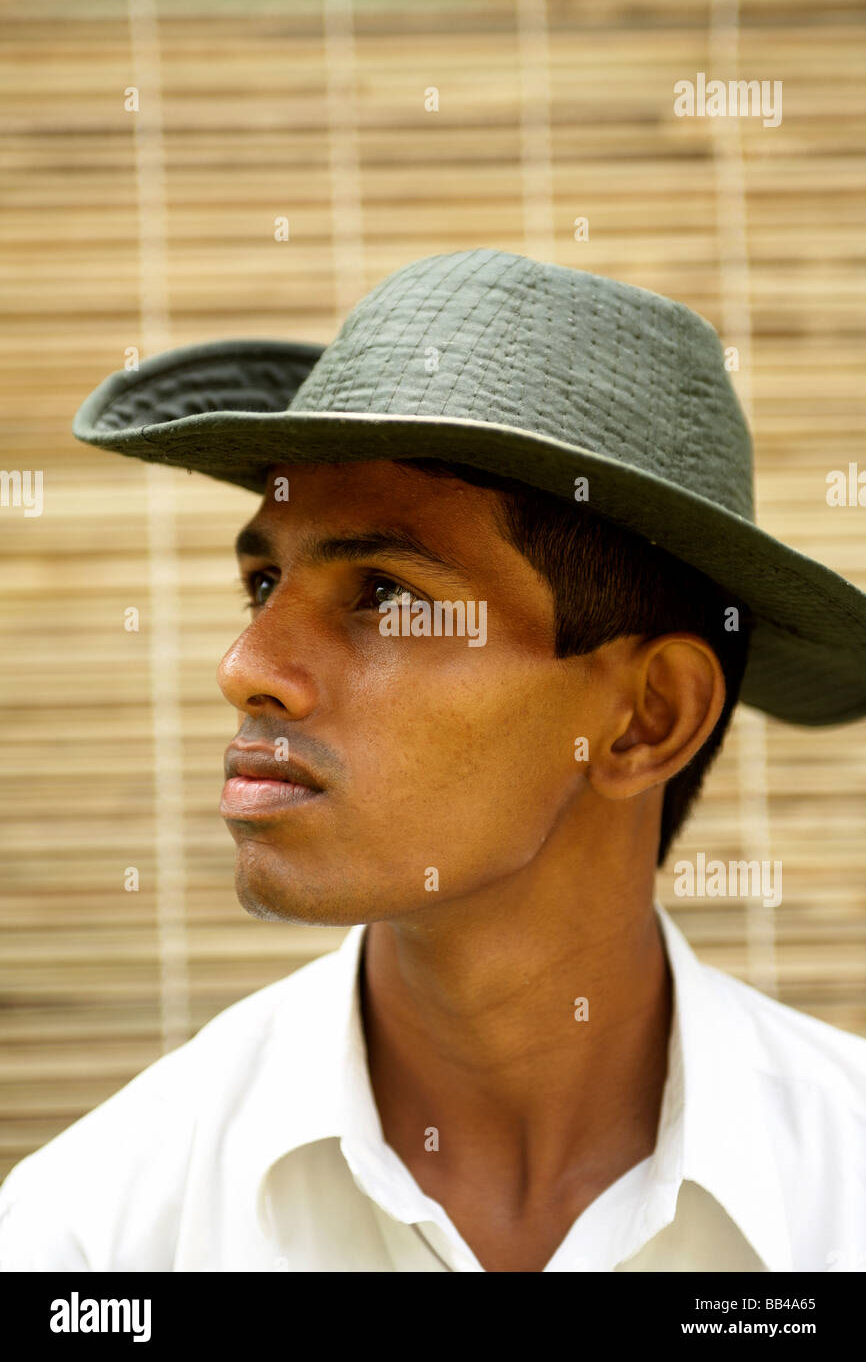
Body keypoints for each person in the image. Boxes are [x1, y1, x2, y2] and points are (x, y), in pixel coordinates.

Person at [1, 249, 865, 1272]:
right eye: (262, 580)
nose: (246, 668)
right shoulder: (99, 1232)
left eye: (384, 594)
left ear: (645, 719)